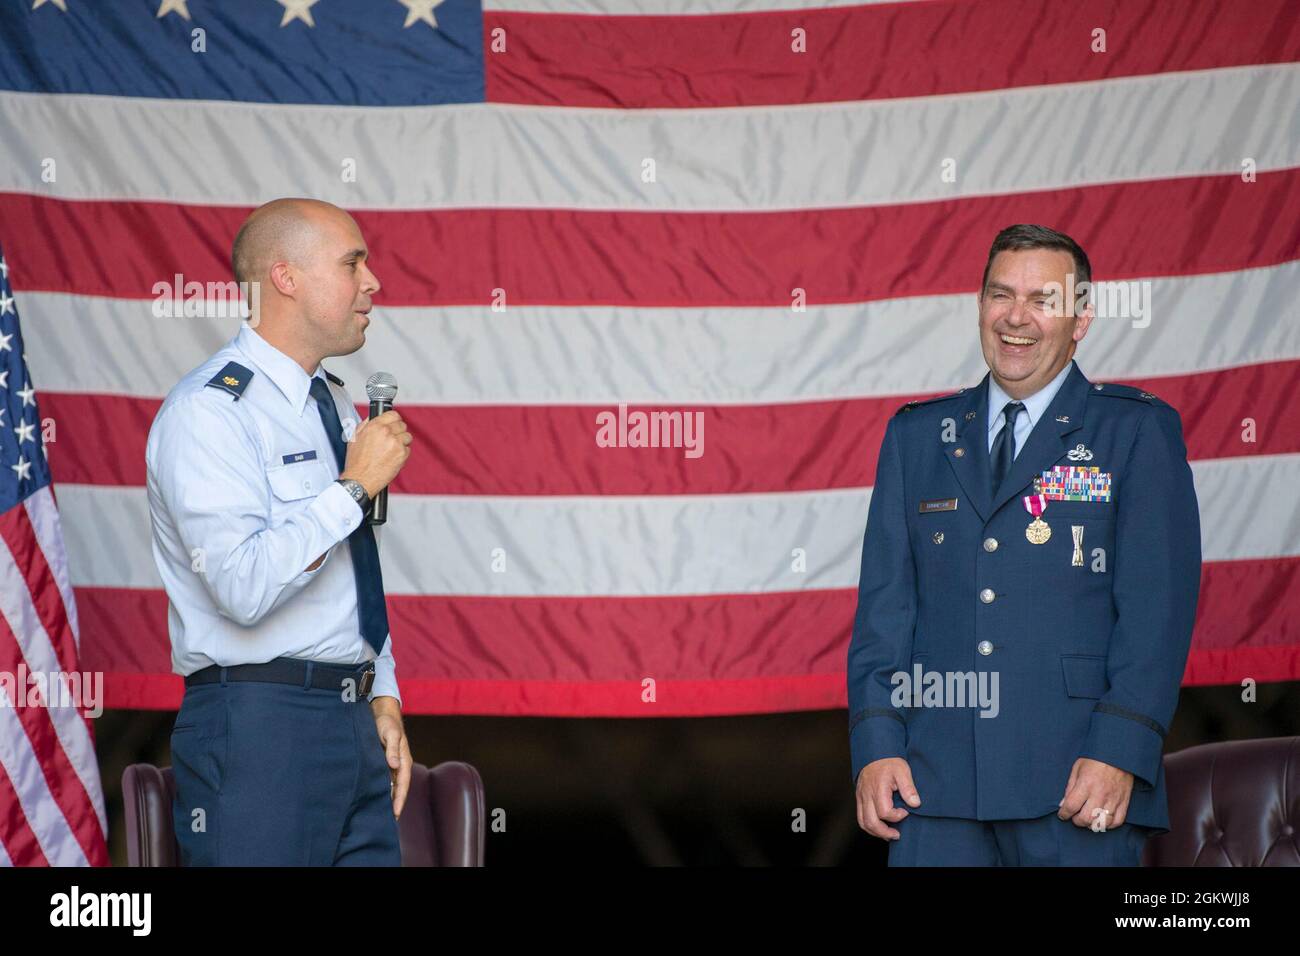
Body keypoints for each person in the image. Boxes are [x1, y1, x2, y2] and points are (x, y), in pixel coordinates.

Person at [846, 224, 1201, 866]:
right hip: (933, 785)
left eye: (1043, 300)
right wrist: (876, 745)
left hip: (1075, 780)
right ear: (979, 305)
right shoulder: (917, 437)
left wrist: (1121, 749)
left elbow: (1158, 612)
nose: (1016, 317)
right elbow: (884, 613)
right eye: (1001, 294)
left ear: (1081, 318)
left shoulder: (1134, 432)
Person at [146, 198, 414, 865]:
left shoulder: (334, 401)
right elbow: (241, 586)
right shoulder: (211, 411)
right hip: (259, 724)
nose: (373, 281)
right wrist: (353, 489)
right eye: (352, 263)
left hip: (353, 720)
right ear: (285, 278)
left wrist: (382, 691)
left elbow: (352, 570)